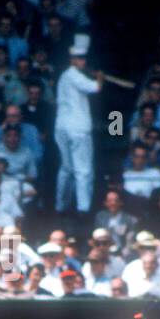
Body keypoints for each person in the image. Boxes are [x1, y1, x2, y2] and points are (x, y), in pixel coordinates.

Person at [54, 35, 103, 214]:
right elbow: (96, 88)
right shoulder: (73, 75)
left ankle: (61, 205)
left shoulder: (66, 76)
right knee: (83, 170)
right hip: (77, 128)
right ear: (72, 59)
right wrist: (100, 78)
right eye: (79, 58)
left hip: (62, 127)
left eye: (84, 58)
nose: (82, 61)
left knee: (66, 168)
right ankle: (83, 208)